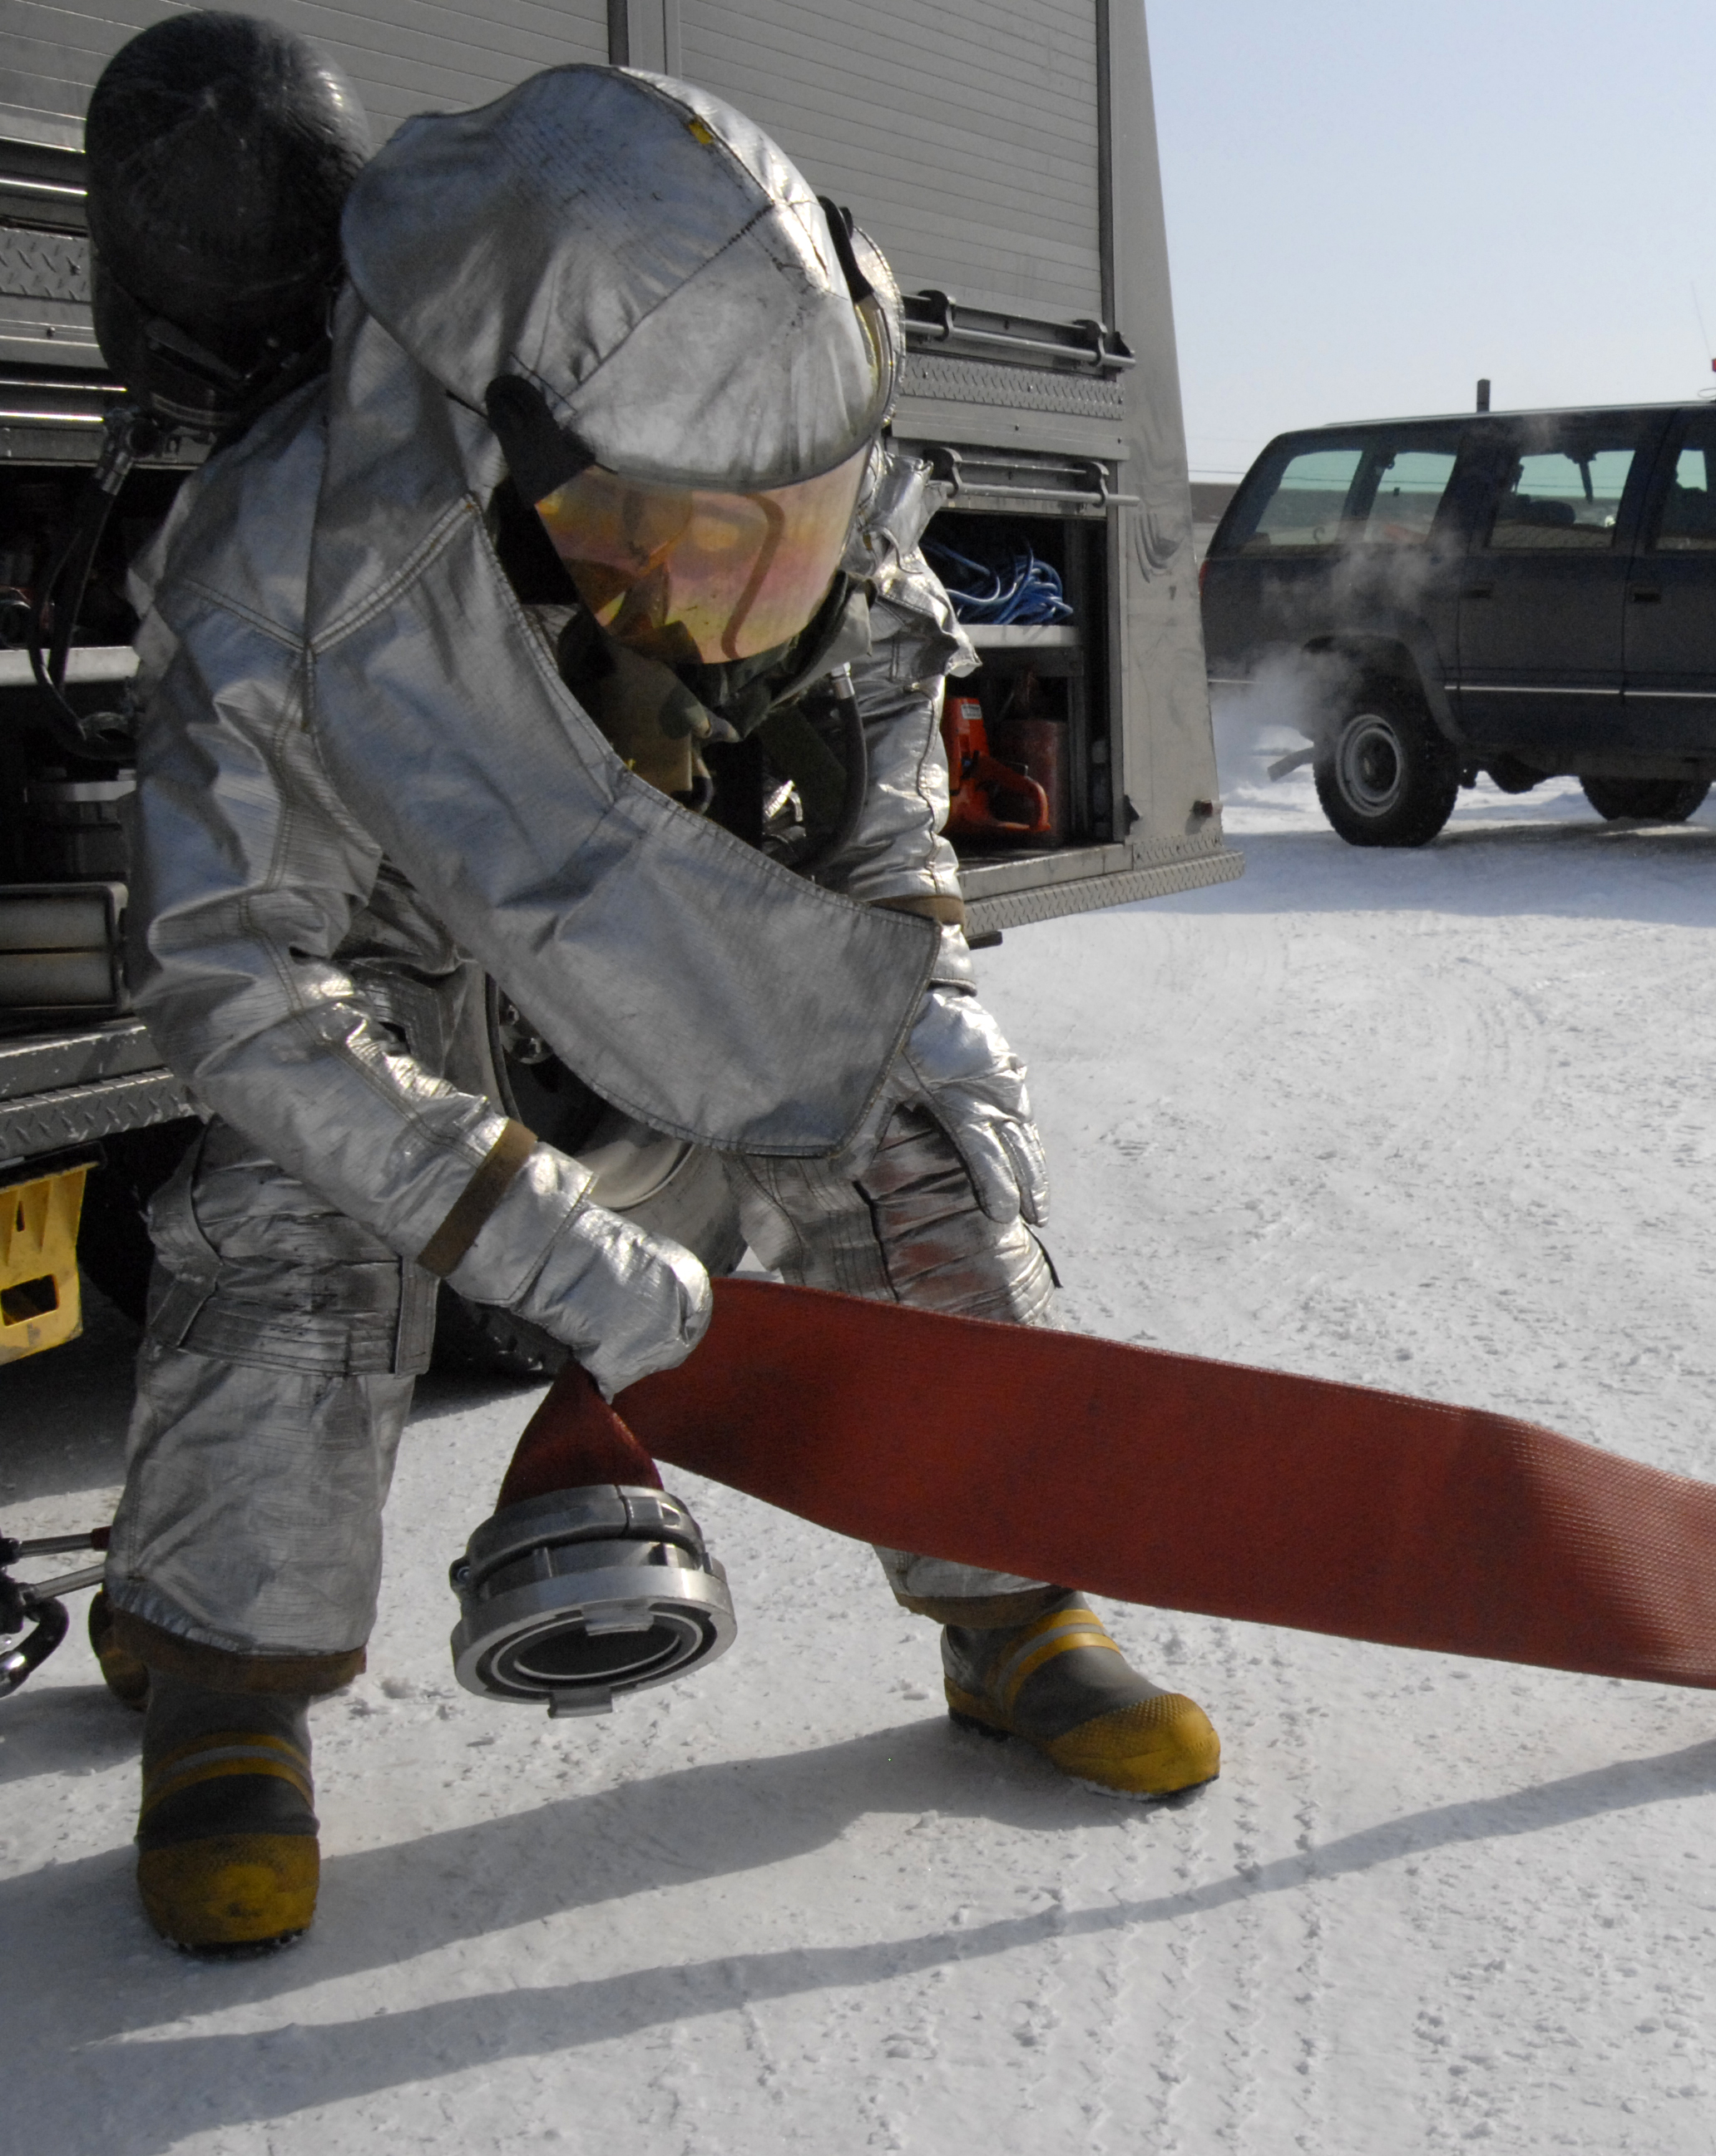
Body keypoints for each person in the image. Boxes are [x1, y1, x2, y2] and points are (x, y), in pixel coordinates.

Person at [92, 40, 1219, 1956]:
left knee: (918, 1152)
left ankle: (1015, 1603)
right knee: (288, 1232)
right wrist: (538, 1247)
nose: (748, 584)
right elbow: (239, 992)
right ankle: (221, 1688)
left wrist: (936, 1027)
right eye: (687, 540)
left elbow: (881, 815)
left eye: (781, 525)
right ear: (519, 453)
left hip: (669, 982)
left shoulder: (788, 463)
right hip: (391, 1033)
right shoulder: (281, 566)